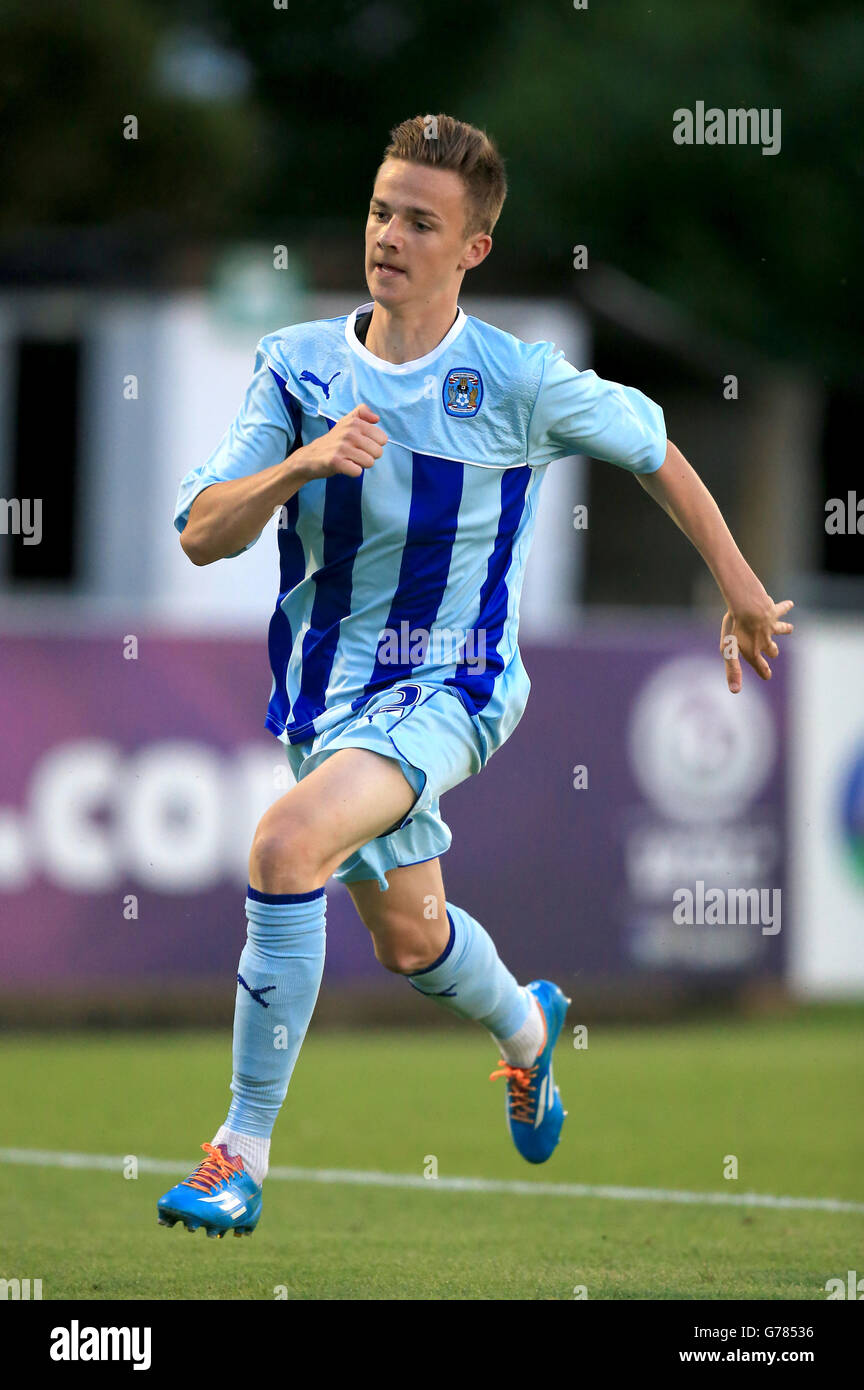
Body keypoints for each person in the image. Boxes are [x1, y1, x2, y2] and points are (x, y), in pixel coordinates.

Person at [158, 113, 794, 1238]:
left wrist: (740, 587)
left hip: (454, 685)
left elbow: (654, 448)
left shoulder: (517, 381)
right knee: (409, 939)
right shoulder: (295, 367)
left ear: (473, 251)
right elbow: (203, 534)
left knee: (284, 844)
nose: (389, 236)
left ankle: (237, 1156)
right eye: (379, 210)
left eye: (420, 221)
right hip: (326, 698)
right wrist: (302, 461)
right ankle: (531, 1035)